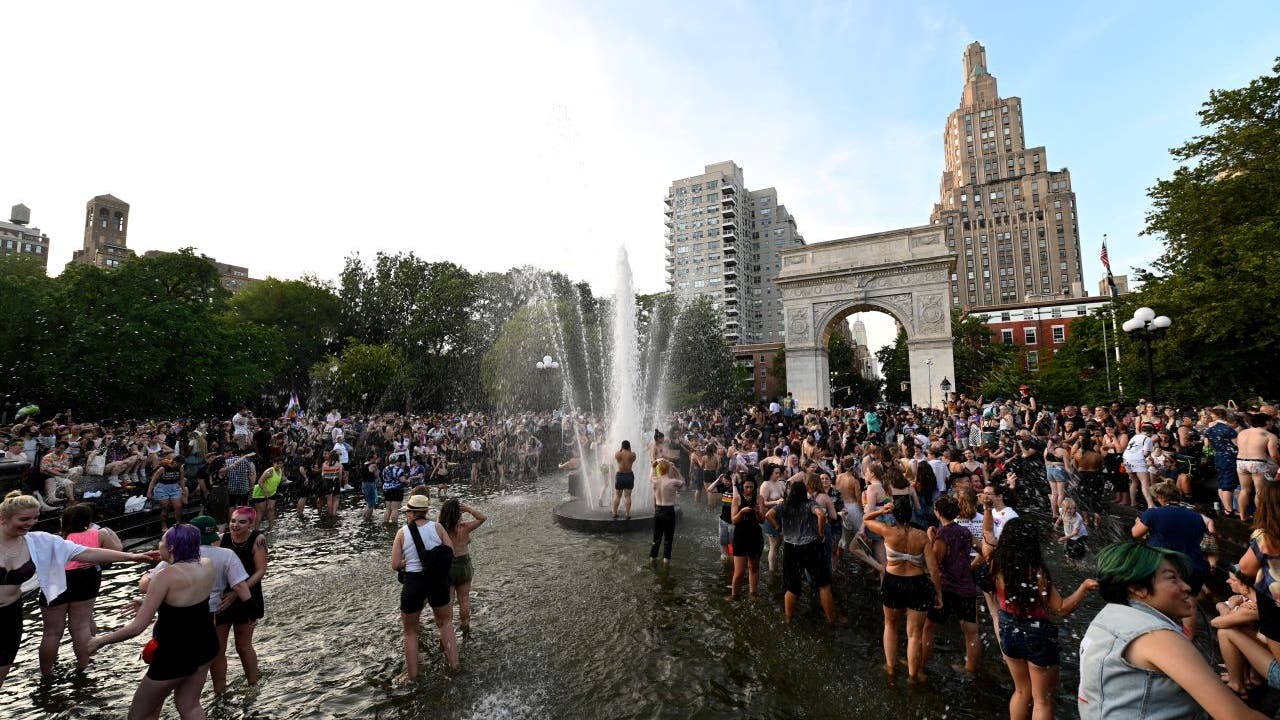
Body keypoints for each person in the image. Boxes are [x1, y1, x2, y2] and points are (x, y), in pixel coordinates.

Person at [1078, 541, 1267, 720]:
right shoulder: (1155, 635)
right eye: (1172, 578)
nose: (1186, 587)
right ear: (1138, 588)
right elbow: (1236, 716)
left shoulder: (1110, 615)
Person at [0, 491, 158, 689]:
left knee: (2, 670)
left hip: (10, 615)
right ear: (3, 519)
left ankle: (54, 677)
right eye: (24, 519)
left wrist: (132, 557)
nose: (30, 523)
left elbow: (86, 552)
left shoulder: (39, 540)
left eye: (35, 518)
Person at [86, 525, 219, 720]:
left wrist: (100, 641)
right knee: (189, 707)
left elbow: (137, 627)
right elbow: (186, 603)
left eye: (162, 541)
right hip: (205, 644)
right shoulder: (207, 564)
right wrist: (152, 602)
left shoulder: (164, 576)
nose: (159, 545)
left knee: (137, 716)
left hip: (175, 654)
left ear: (172, 548)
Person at [987, 516, 1096, 720]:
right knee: (1042, 700)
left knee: (1021, 692)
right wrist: (1084, 588)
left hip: (1008, 630)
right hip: (1036, 634)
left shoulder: (995, 564)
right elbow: (1061, 609)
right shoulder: (1035, 572)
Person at [37, 503, 123, 676]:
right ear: (89, 519)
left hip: (56, 580)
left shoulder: (56, 539)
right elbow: (117, 552)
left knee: (51, 632)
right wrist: (96, 561)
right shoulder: (99, 534)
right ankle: (84, 666)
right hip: (86, 579)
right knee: (81, 626)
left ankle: (47, 673)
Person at [865, 495, 942, 682]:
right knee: (915, 635)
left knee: (890, 626)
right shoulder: (922, 536)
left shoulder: (887, 531)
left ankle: (891, 669)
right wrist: (938, 593)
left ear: (894, 515)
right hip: (917, 584)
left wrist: (881, 511)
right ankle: (913, 676)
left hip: (893, 582)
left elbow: (866, 520)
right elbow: (933, 569)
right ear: (911, 514)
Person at [391, 492, 457, 678]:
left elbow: (395, 565)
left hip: (414, 582)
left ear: (412, 513)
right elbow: (450, 552)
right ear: (426, 512)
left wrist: (406, 562)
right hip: (437, 581)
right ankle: (454, 665)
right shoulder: (437, 527)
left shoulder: (402, 532)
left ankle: (413, 676)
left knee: (410, 631)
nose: (406, 516)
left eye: (407, 513)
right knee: (445, 623)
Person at [1131, 481, 1209, 634]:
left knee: (1155, 596)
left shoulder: (1153, 513)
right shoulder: (1196, 516)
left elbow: (1135, 533)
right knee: (1189, 599)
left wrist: (1137, 522)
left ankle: (1160, 633)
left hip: (1164, 564)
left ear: (1160, 496)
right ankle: (1188, 636)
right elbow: (1198, 538)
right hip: (1194, 563)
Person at [766, 479, 841, 625]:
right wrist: (820, 533)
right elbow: (821, 515)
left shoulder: (783, 505)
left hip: (791, 548)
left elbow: (768, 515)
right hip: (811, 546)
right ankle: (832, 619)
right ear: (804, 492)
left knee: (791, 587)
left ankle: (788, 618)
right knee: (823, 585)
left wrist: (778, 528)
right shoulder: (810, 504)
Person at [211, 506, 267, 694]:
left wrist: (238, 591)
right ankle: (220, 690)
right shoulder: (221, 539)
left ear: (251, 523)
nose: (235, 525)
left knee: (243, 645)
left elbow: (260, 571)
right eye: (233, 521)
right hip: (223, 597)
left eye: (242, 522)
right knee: (217, 648)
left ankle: (253, 684)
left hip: (246, 595)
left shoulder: (257, 539)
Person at [922, 495, 981, 674]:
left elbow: (934, 563)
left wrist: (931, 538)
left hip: (947, 588)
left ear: (938, 513)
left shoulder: (942, 534)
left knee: (928, 628)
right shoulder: (964, 531)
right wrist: (970, 567)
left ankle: (922, 665)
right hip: (966, 587)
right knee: (971, 631)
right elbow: (985, 552)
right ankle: (970, 669)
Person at [438, 497, 486, 632]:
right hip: (464, 565)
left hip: (449, 567)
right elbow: (483, 518)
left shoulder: (441, 529)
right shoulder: (465, 528)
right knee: (464, 599)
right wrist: (469, 509)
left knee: (449, 601)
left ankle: (448, 630)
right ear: (459, 513)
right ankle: (465, 626)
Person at [728, 477, 763, 600]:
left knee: (754, 567)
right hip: (741, 535)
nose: (749, 489)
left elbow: (762, 520)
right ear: (742, 487)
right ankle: (734, 595)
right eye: (747, 487)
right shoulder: (737, 499)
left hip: (755, 535)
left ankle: (753, 594)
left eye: (751, 487)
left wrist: (758, 512)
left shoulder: (759, 498)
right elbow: (733, 520)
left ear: (755, 487)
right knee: (739, 572)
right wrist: (742, 512)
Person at [649, 459, 684, 563]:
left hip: (658, 510)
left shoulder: (655, 480)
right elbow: (682, 482)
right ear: (668, 469)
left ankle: (652, 559)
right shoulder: (673, 482)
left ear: (659, 469)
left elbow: (651, 472)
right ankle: (666, 563)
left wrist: (653, 465)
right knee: (668, 538)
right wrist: (675, 469)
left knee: (656, 537)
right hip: (669, 511)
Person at [251, 457, 285, 531]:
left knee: (271, 508)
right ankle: (255, 530)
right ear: (273, 464)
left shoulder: (281, 470)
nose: (279, 465)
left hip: (272, 492)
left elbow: (279, 479)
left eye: (280, 463)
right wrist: (265, 491)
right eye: (277, 463)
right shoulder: (269, 471)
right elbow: (260, 482)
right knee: (261, 512)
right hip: (260, 492)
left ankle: (271, 527)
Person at [1057, 497, 1088, 567]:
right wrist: (1057, 523)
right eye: (1067, 509)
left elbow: (1075, 533)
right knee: (1067, 551)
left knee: (1078, 551)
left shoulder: (1078, 518)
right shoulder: (1062, 511)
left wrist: (1064, 538)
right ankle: (1071, 564)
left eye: (1072, 508)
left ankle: (1080, 566)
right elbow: (1061, 516)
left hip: (1081, 536)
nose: (1070, 510)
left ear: (1075, 508)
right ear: (1063, 508)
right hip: (1070, 536)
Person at [613, 440, 637, 520]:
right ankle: (627, 513)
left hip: (620, 475)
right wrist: (629, 450)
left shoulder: (618, 454)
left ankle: (615, 513)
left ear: (622, 446)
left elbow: (617, 456)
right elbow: (633, 458)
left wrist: (621, 449)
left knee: (617, 496)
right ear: (629, 446)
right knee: (627, 496)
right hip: (629, 475)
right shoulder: (632, 455)